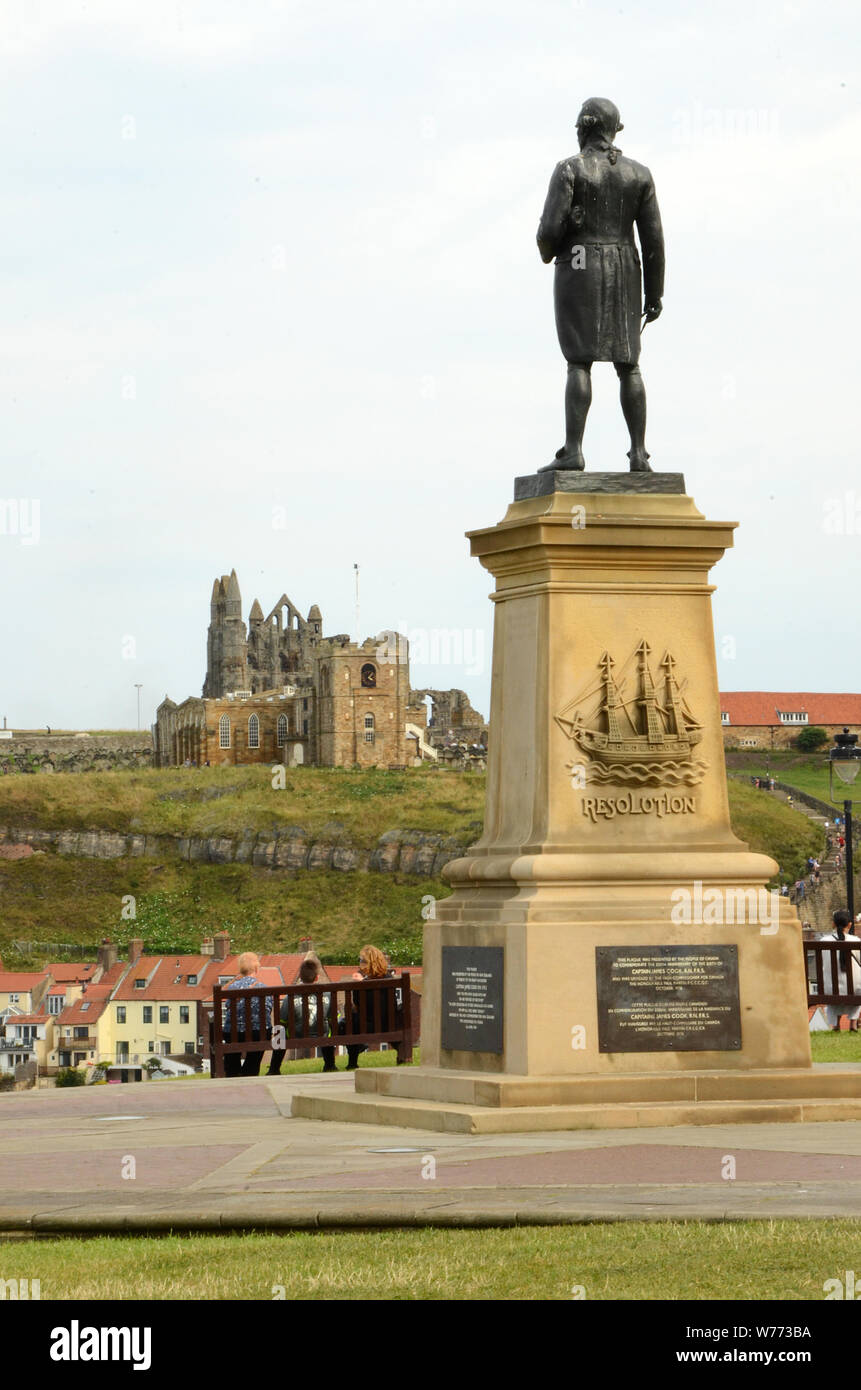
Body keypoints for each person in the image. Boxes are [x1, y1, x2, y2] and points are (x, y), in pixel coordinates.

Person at [536, 97, 664, 473]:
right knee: (629, 365)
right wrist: (654, 293)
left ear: (584, 128)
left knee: (579, 362)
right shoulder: (639, 175)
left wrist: (570, 226)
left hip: (580, 264)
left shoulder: (569, 170)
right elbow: (653, 241)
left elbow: (547, 239)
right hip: (626, 268)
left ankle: (574, 450)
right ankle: (638, 454)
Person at [268, 955, 335, 1075]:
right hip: (322, 1034)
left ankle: (274, 1069)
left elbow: (282, 1020)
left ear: (300, 977)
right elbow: (331, 1018)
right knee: (329, 1030)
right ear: (317, 978)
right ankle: (330, 1065)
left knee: (280, 1031)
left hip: (296, 1034)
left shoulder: (291, 996)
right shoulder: (327, 994)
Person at [221, 952, 271, 1076]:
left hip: (233, 1034)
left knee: (232, 1049)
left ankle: (232, 1071)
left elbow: (228, 1006)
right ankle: (250, 1070)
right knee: (263, 1035)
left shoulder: (231, 988)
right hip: (257, 1033)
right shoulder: (263, 988)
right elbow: (268, 1008)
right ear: (257, 968)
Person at [345, 944, 392, 1071]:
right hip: (389, 1024)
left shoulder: (363, 984)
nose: (359, 963)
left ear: (369, 963)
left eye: (361, 960)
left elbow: (358, 1005)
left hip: (368, 1026)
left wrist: (360, 985)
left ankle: (352, 1061)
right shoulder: (389, 978)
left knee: (347, 1022)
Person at [818, 909, 861, 1032]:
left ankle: (836, 1025)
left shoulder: (823, 942)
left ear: (833, 924)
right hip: (855, 989)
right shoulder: (856, 941)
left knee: (835, 985)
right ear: (850, 925)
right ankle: (853, 1024)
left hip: (829, 989)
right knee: (857, 985)